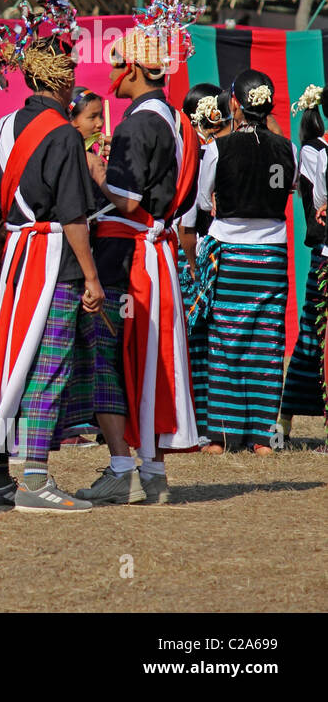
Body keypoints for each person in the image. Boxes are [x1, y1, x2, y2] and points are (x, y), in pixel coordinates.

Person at [0, 34, 102, 513]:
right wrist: (91, 276)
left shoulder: (3, 125)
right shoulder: (64, 133)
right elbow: (73, 215)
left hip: (14, 256)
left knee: (11, 365)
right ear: (63, 80)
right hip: (52, 259)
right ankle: (35, 481)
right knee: (49, 365)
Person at [72, 27, 200, 504]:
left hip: (130, 256)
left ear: (130, 69)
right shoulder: (177, 119)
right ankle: (152, 473)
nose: (108, 73)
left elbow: (125, 201)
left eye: (113, 63)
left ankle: (124, 467)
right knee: (151, 361)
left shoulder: (135, 124)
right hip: (157, 251)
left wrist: (96, 172)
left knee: (112, 357)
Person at [190, 70, 296, 454]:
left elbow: (204, 201)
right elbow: (292, 187)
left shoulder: (220, 147)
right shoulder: (288, 148)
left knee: (226, 339)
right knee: (267, 341)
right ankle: (263, 439)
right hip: (272, 256)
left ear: (234, 102)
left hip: (230, 253)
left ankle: (221, 436)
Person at [280, 85, 328, 437]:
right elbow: (317, 206)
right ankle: (286, 417)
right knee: (314, 334)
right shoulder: (314, 151)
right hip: (325, 253)